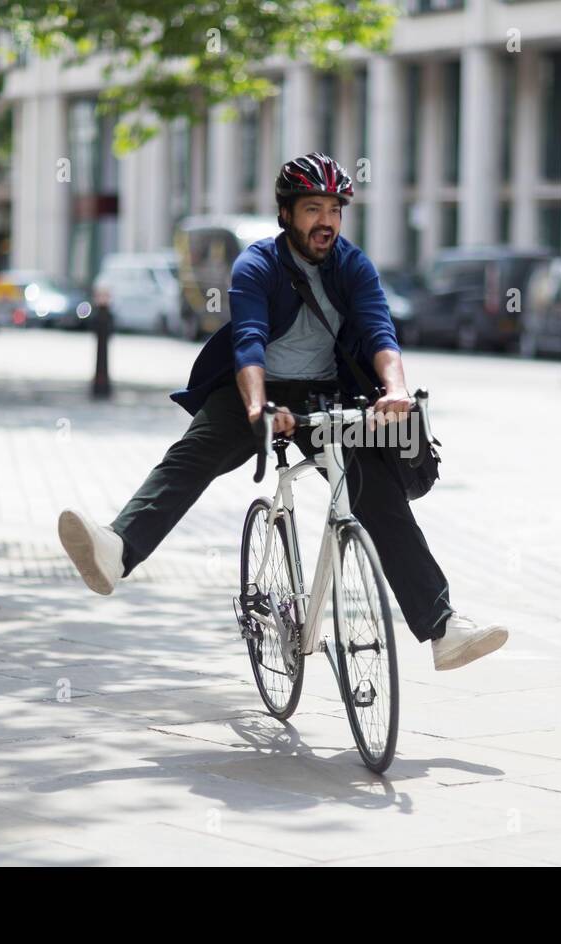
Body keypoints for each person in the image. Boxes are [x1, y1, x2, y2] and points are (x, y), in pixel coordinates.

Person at [58, 151, 507, 671]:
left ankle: (441, 629)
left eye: (335, 209)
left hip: (327, 394)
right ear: (287, 214)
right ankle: (117, 549)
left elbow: (380, 331)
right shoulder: (258, 265)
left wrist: (396, 392)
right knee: (194, 453)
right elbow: (247, 342)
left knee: (378, 495)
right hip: (258, 388)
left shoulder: (352, 265)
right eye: (314, 209)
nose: (327, 221)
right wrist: (258, 408)